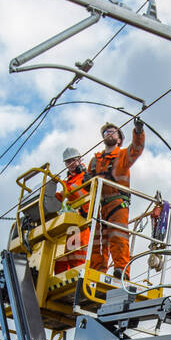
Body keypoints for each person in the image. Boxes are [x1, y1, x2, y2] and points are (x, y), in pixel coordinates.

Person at [85, 118, 145, 278]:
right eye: (106, 132)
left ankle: (122, 270)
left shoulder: (123, 155)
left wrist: (138, 131)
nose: (108, 133)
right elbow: (87, 186)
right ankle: (97, 272)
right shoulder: (94, 161)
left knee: (118, 236)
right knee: (97, 242)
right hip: (99, 205)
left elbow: (137, 149)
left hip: (117, 203)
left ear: (119, 139)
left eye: (112, 131)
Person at [54, 145, 90, 275]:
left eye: (73, 160)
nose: (71, 164)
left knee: (77, 257)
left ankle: (78, 282)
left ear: (80, 160)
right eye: (68, 162)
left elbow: (75, 192)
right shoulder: (67, 181)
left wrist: (62, 190)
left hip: (80, 222)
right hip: (66, 224)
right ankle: (59, 279)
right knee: (60, 258)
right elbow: (61, 197)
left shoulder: (86, 176)